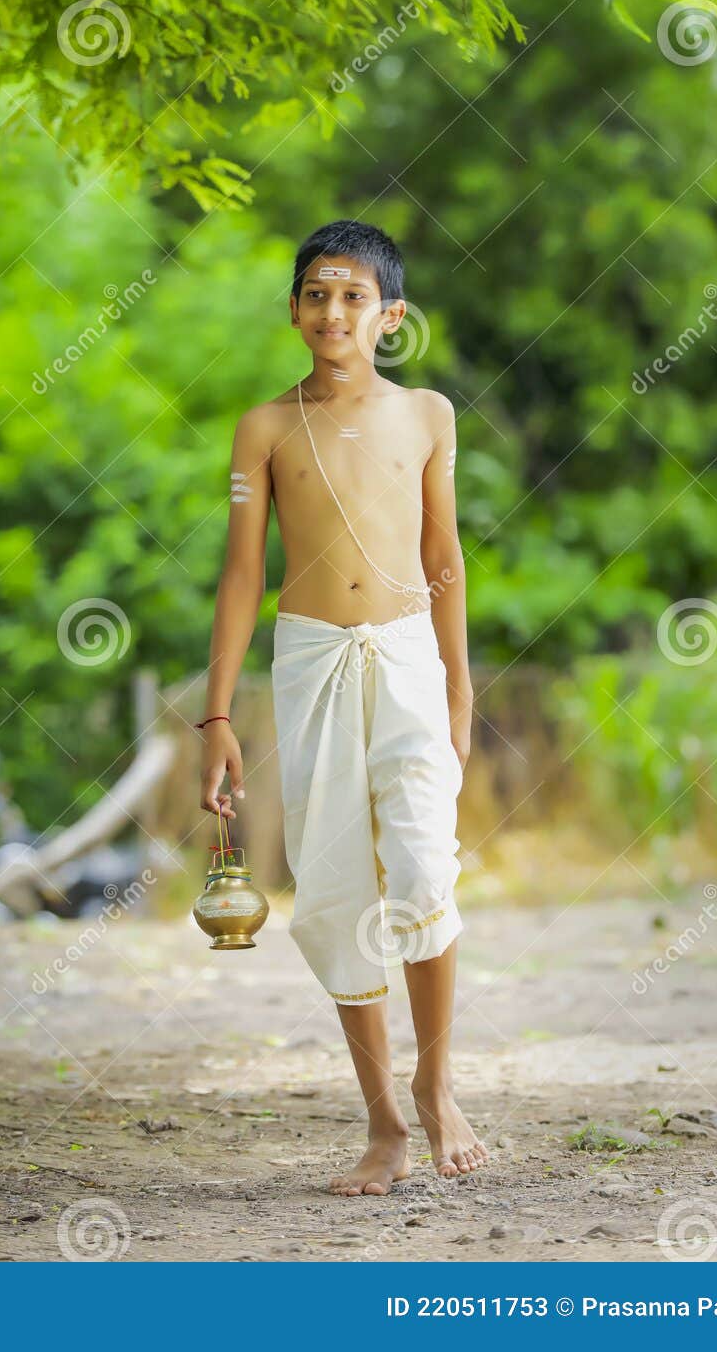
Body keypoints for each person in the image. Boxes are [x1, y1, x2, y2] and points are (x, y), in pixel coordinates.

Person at [197, 219, 488, 1194]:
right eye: (315, 295)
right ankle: (381, 1124)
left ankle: (436, 1083)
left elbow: (443, 558)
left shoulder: (429, 416)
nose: (332, 311)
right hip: (310, 657)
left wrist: (457, 684)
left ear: (389, 315)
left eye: (353, 296)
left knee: (421, 865)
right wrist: (216, 718)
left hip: (406, 655)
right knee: (330, 890)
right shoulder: (264, 430)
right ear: (292, 310)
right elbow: (241, 573)